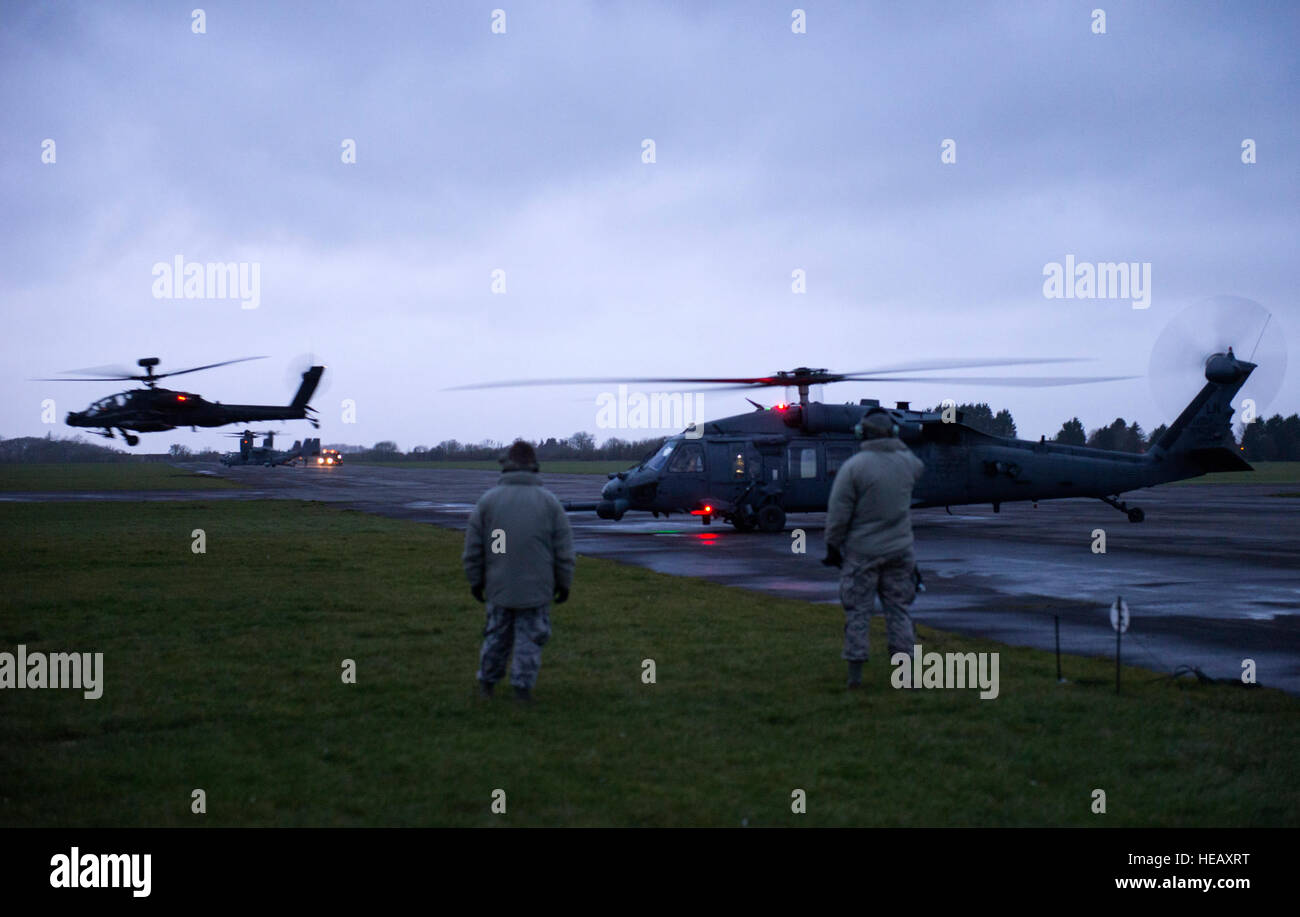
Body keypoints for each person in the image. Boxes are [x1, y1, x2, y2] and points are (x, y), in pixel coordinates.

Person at [463, 440, 575, 702]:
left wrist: (475, 581)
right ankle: (522, 689)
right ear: (534, 467)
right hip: (538, 588)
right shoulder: (550, 503)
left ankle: (487, 686)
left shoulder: (488, 502)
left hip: (498, 585)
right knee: (530, 640)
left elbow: (474, 549)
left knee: (496, 637)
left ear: (507, 466)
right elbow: (564, 550)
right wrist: (565, 583)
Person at [822, 410, 926, 688]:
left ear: (861, 434)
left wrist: (833, 546)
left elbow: (838, 514)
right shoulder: (908, 463)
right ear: (893, 434)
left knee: (858, 612)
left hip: (862, 553)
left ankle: (855, 677)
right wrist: (896, 441)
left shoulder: (854, 467)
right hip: (900, 552)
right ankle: (905, 676)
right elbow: (917, 466)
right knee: (899, 612)